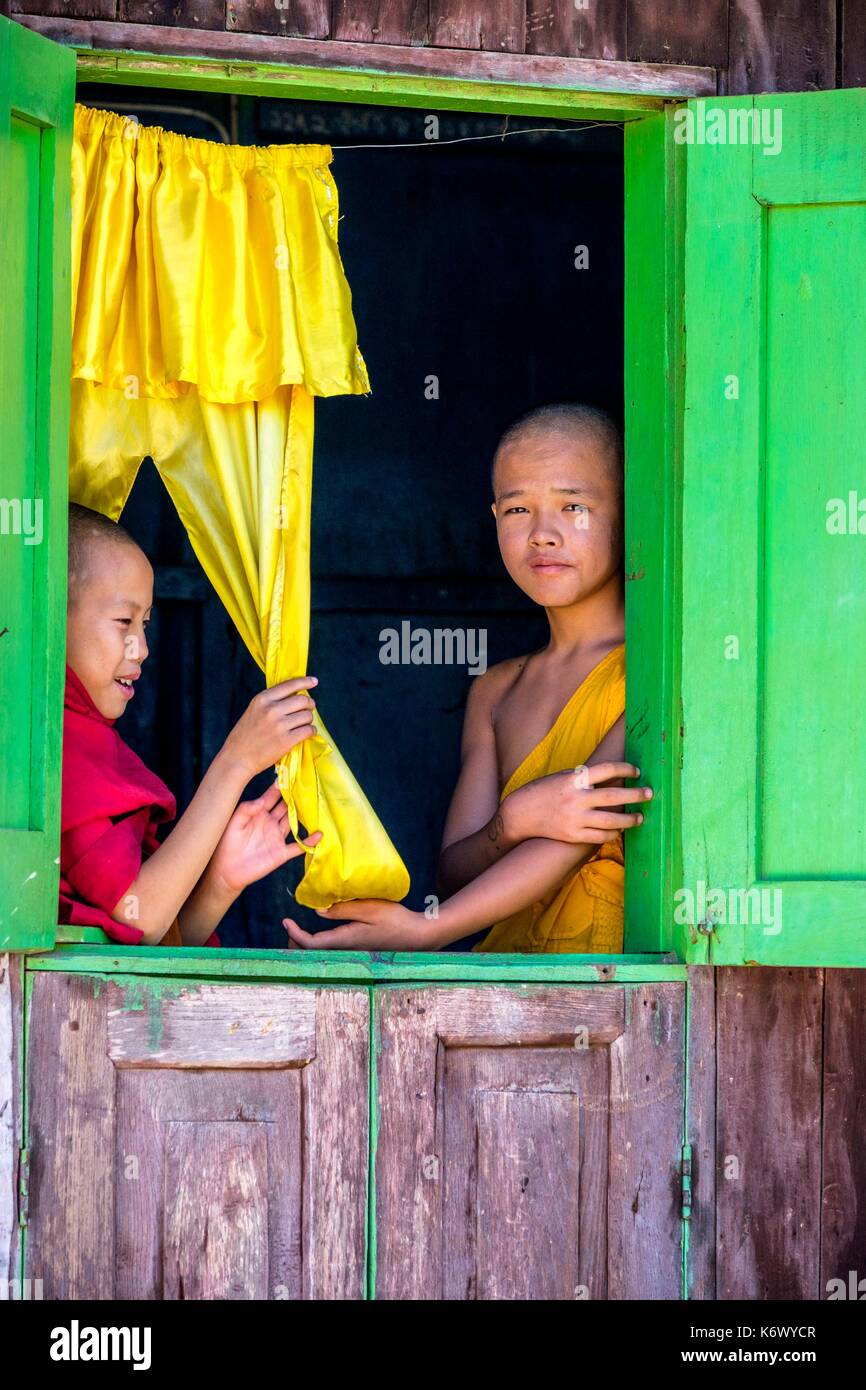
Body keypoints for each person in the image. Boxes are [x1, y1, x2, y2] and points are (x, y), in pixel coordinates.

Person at [284, 403, 653, 955]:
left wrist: (430, 929)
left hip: (618, 989)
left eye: (573, 506)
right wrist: (512, 821)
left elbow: (585, 822)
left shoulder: (657, 665)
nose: (543, 534)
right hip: (503, 979)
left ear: (625, 512)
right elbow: (455, 873)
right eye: (518, 509)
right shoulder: (496, 690)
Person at [61, 504, 321, 946]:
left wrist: (220, 881)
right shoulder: (55, 747)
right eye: (124, 621)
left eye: (145, 624)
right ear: (50, 620)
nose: (141, 648)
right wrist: (235, 763)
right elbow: (137, 920)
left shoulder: (92, 741)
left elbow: (148, 945)